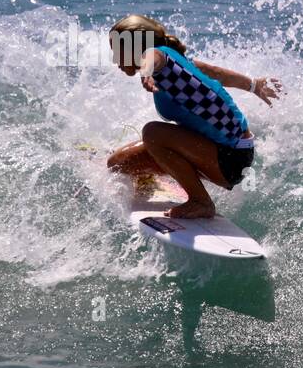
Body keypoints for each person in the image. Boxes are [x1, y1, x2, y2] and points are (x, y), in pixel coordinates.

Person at [106, 14, 281, 218]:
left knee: (153, 132)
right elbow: (215, 72)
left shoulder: (158, 57)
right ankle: (150, 176)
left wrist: (146, 73)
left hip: (233, 158)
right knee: (118, 163)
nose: (115, 59)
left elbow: (151, 57)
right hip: (209, 146)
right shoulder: (178, 61)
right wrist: (253, 85)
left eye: (118, 51)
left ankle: (201, 202)